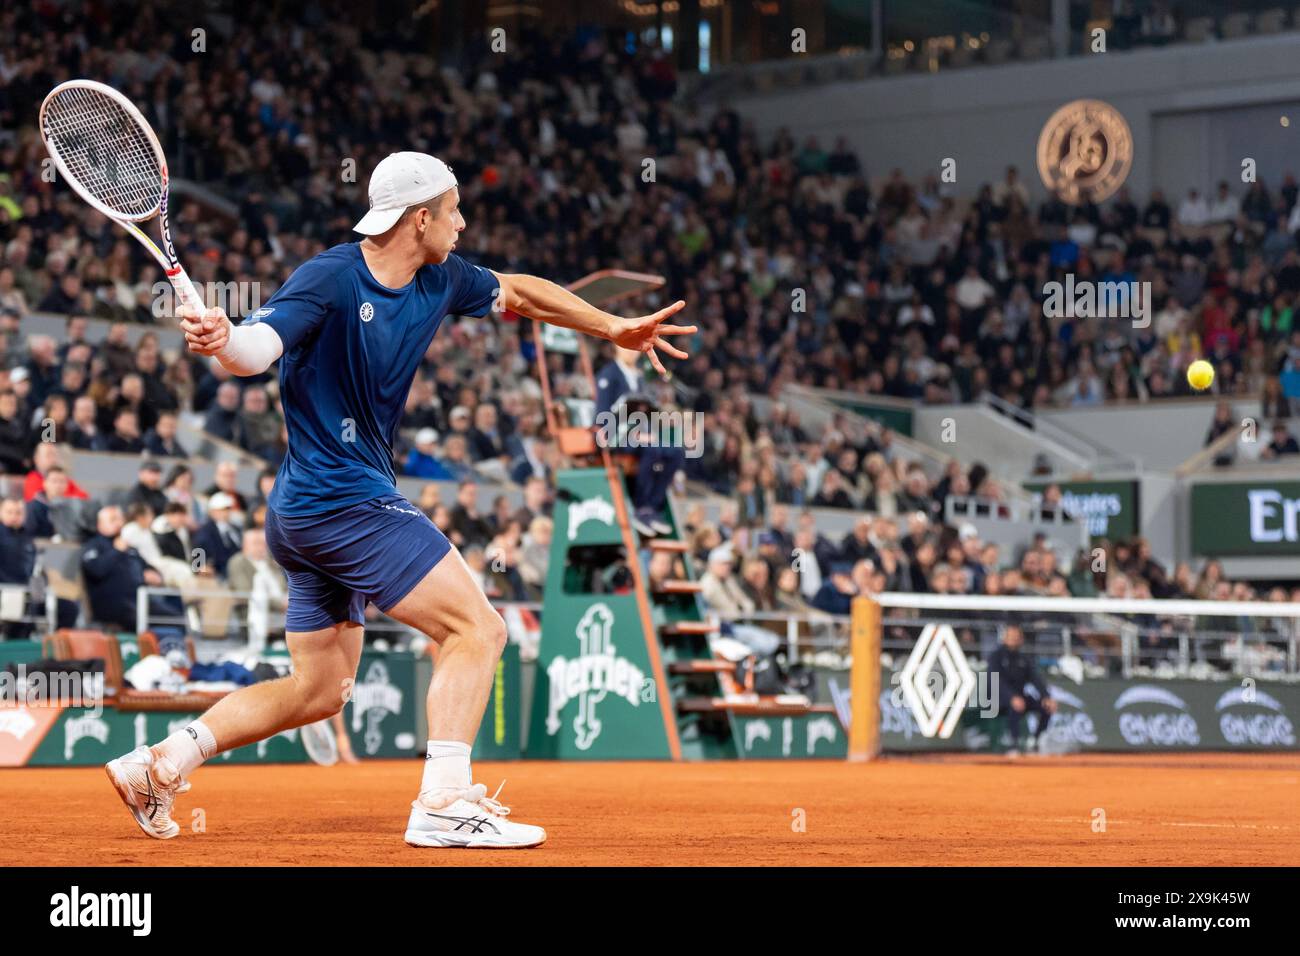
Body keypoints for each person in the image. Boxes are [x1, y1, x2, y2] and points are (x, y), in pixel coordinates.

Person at [107, 152, 694, 848]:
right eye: (454, 210)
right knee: (479, 630)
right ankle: (443, 803)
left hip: (304, 509)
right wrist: (223, 336)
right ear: (421, 219)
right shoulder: (329, 277)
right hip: (340, 500)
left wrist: (610, 328)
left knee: (320, 689)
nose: (463, 222)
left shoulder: (440, 280)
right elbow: (256, 350)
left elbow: (523, 292)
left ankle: (162, 763)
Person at [986, 624, 1056, 754]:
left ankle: (1035, 741)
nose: (1014, 640)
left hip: (1020, 697)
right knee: (1016, 705)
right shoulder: (996, 657)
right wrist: (1011, 697)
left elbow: (1036, 679)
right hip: (997, 699)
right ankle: (1014, 744)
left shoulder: (1023, 658)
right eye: (1011, 637)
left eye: (1017, 637)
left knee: (1046, 707)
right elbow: (995, 681)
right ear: (1004, 638)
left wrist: (1046, 696)